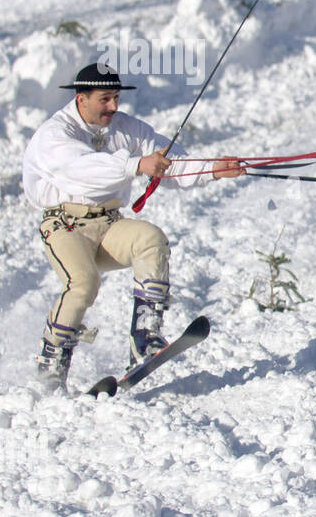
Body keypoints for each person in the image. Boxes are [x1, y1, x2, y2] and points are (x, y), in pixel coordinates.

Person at [21, 63, 244, 391]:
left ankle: (145, 339)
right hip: (66, 227)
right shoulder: (55, 134)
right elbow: (82, 169)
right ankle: (51, 366)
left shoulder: (126, 128)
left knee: (150, 239)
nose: (113, 106)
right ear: (81, 99)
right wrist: (136, 164)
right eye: (104, 99)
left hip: (108, 224)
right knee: (83, 283)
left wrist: (213, 168)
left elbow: (171, 161)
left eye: (116, 98)